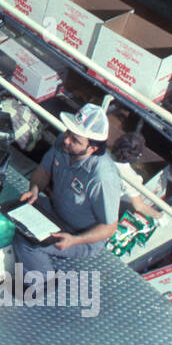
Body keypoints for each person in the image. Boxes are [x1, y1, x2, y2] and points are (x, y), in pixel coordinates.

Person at [14, 103, 121, 276]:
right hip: (54, 212)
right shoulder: (63, 144)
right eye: (68, 132)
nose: (66, 140)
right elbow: (43, 170)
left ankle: (43, 281)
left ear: (92, 148)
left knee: (27, 242)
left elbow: (109, 228)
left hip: (80, 235)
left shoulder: (102, 177)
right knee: (15, 210)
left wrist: (75, 240)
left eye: (75, 140)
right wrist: (34, 189)